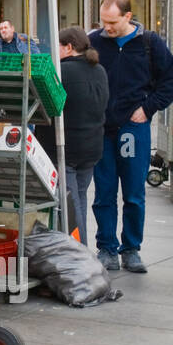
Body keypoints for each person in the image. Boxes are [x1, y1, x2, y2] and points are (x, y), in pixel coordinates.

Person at [88, 0, 173, 273]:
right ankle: (106, 247)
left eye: (112, 22)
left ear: (128, 16)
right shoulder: (94, 42)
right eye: (103, 21)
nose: (107, 27)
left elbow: (172, 79)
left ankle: (131, 249)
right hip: (103, 128)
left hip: (134, 127)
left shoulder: (149, 43)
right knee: (104, 192)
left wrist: (148, 108)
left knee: (133, 191)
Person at [54, 27, 109, 245]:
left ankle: (80, 251)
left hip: (68, 147)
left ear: (68, 47)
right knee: (80, 197)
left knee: (70, 203)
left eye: (58, 46)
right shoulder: (99, 70)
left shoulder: (62, 72)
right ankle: (81, 248)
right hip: (93, 146)